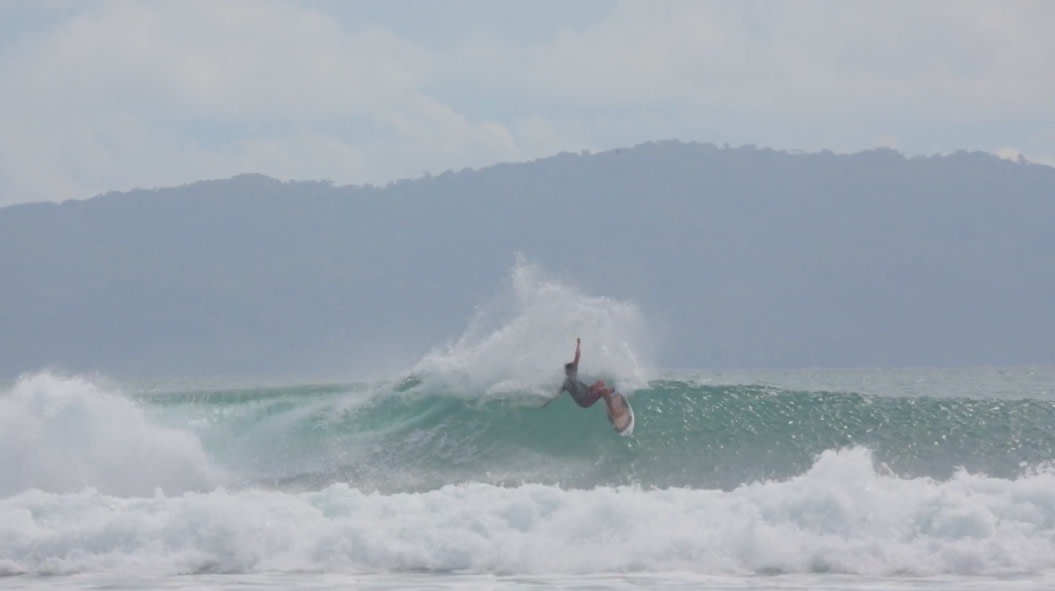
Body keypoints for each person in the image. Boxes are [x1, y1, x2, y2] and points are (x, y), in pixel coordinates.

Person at [552, 337, 626, 419]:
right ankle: (613, 412)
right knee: (603, 390)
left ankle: (607, 395)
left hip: (586, 390)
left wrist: (578, 344)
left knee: (600, 383)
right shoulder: (566, 383)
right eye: (573, 369)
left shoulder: (573, 370)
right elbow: (556, 394)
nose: (575, 368)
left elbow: (577, 356)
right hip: (584, 400)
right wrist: (547, 401)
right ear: (568, 372)